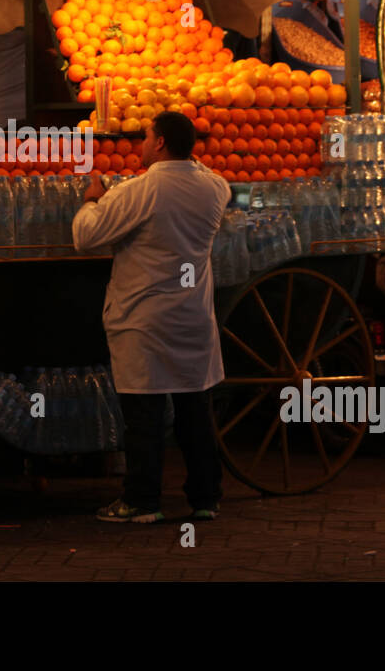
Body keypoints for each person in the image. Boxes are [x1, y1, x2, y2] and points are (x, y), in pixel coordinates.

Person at [73, 111, 231, 523]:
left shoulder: (140, 190)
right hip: (193, 318)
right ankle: (205, 499)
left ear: (159, 142)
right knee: (195, 411)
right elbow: (211, 183)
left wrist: (93, 198)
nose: (141, 145)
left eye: (145, 137)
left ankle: (143, 501)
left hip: (145, 318)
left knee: (144, 415)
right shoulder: (215, 188)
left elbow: (86, 236)